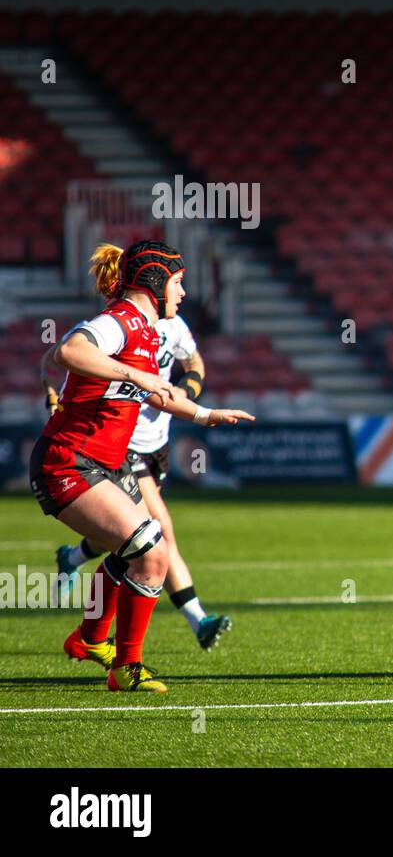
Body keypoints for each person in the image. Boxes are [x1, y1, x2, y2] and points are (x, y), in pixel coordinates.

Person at [29, 241, 254, 693]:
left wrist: (205, 415)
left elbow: (147, 391)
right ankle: (127, 667)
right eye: (178, 282)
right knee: (152, 552)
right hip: (70, 462)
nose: (185, 292)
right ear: (154, 283)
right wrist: (134, 375)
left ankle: (92, 640)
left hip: (103, 463)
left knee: (132, 551)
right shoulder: (123, 321)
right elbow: (71, 351)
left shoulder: (146, 331)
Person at [45, 307, 233, 651]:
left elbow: (194, 364)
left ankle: (73, 564)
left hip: (156, 445)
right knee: (158, 528)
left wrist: (186, 394)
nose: (182, 293)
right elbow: (55, 357)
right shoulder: (111, 327)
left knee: (126, 537)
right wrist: (53, 396)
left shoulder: (173, 326)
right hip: (122, 444)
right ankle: (197, 619)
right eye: (175, 283)